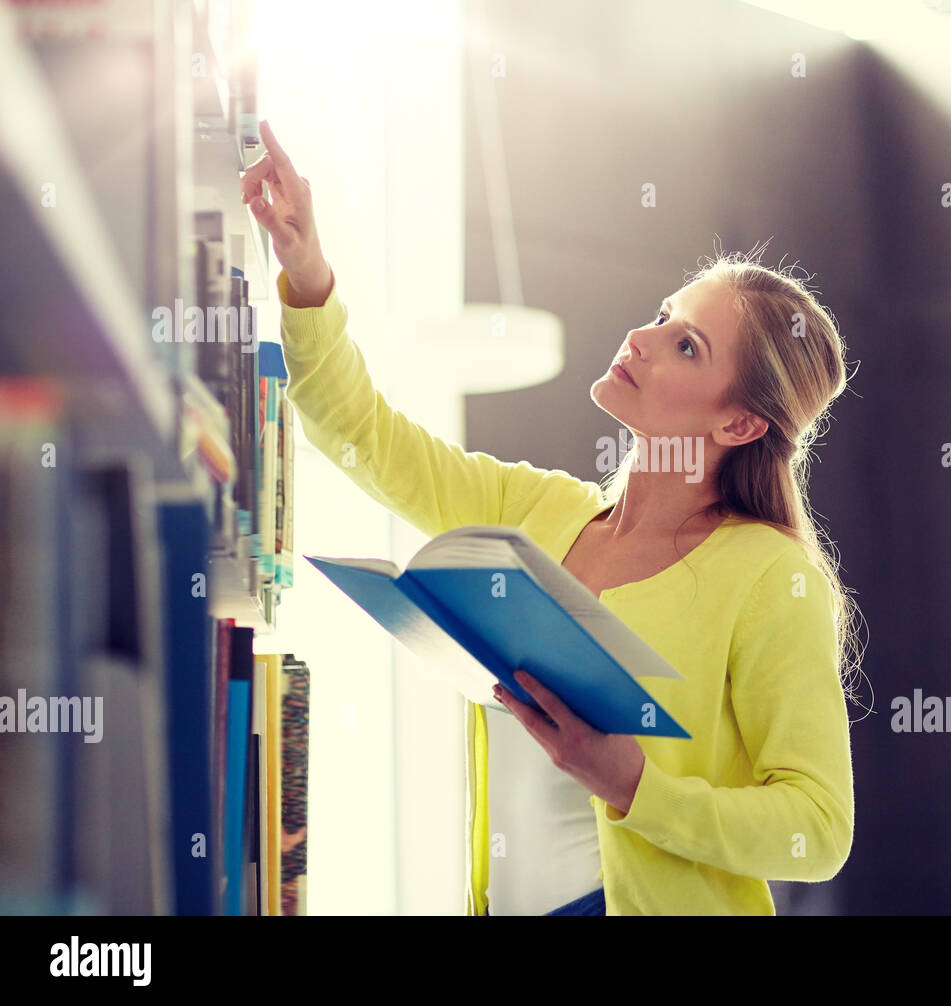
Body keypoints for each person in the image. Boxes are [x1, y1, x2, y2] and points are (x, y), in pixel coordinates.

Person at [243, 119, 861, 916]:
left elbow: (818, 828)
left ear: (739, 424)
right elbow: (360, 434)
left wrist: (634, 786)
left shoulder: (771, 577)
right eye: (663, 314)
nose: (642, 337)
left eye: (686, 347)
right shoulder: (537, 510)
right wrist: (308, 270)